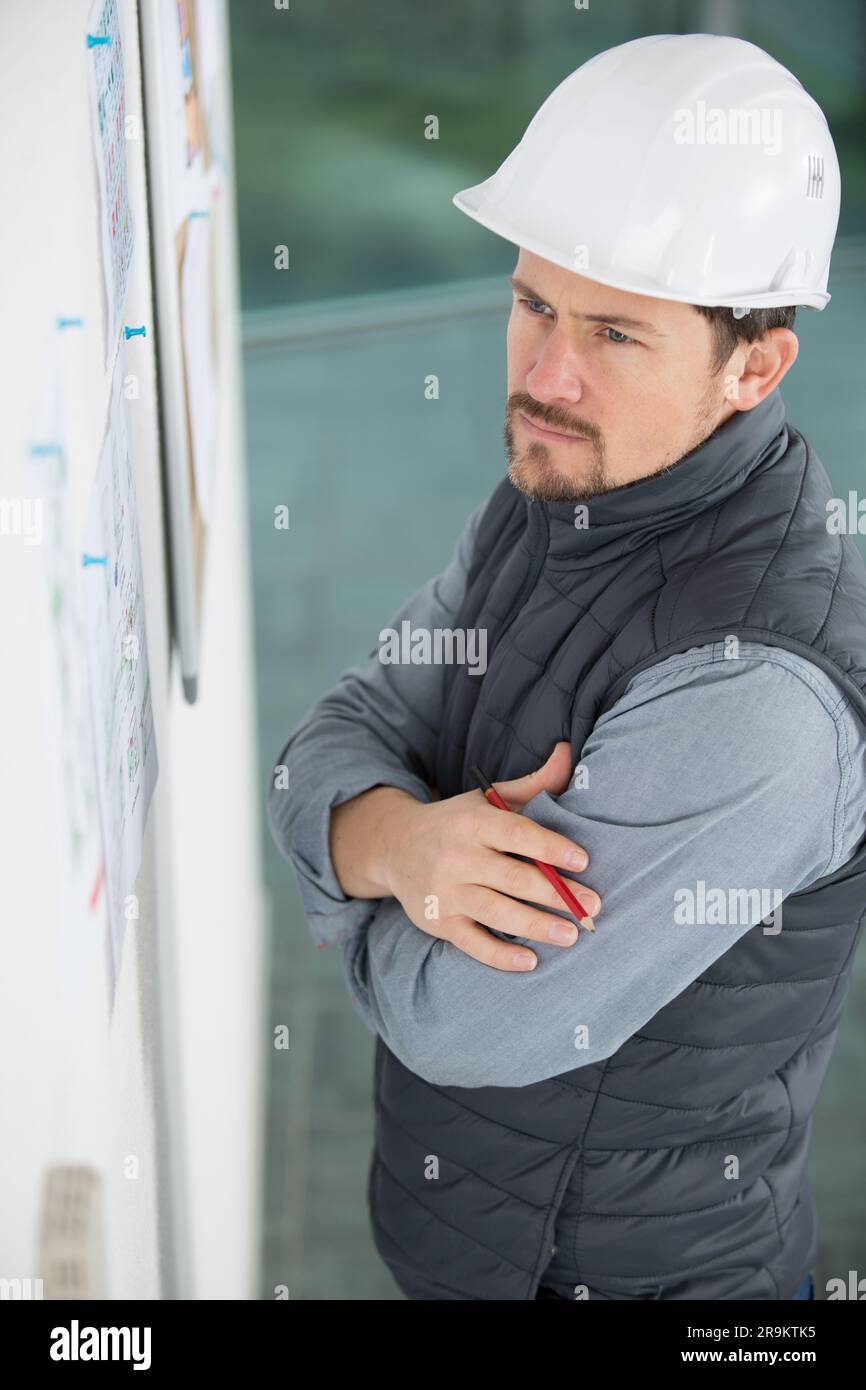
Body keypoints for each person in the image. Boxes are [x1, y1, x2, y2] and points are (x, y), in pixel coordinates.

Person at [268, 34, 866, 1300]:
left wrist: (337, 858)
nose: (544, 377)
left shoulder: (757, 693)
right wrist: (400, 853)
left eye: (612, 334)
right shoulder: (561, 490)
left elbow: (457, 1019)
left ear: (752, 365)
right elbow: (345, 720)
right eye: (533, 303)